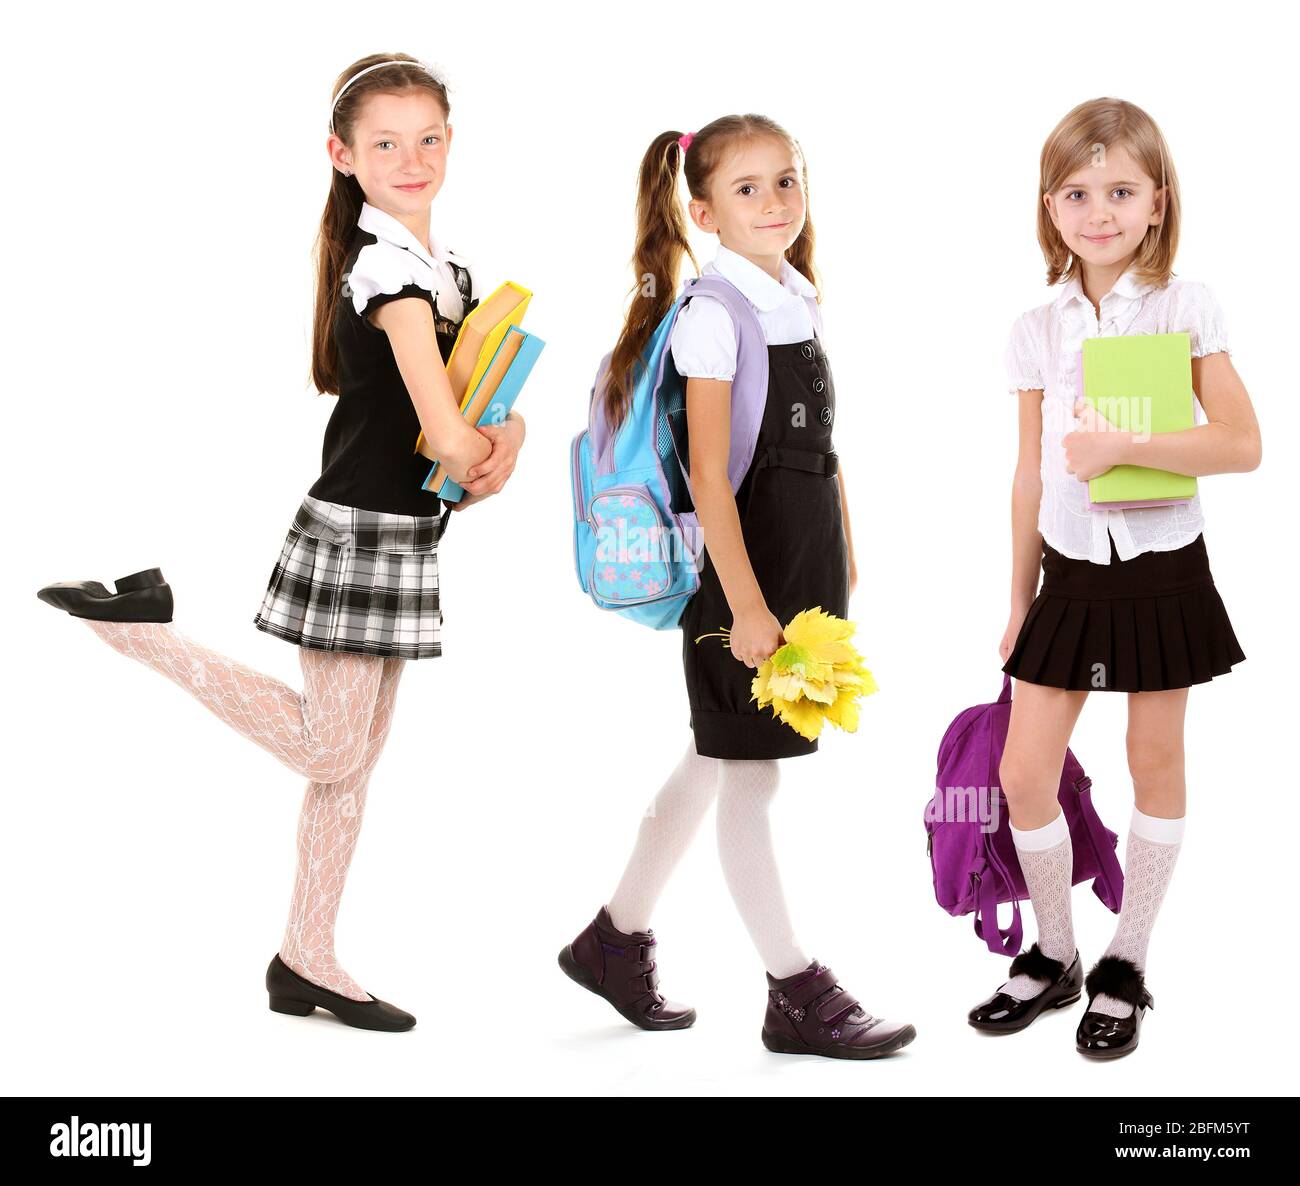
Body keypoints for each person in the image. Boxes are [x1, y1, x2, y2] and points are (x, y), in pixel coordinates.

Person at [36, 53, 526, 1032]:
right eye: (385, 142)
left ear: (451, 142)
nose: (411, 157)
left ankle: (307, 956)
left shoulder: (445, 269)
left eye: (427, 137)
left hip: (404, 534)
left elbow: (479, 421)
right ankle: (138, 629)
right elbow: (448, 429)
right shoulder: (388, 273)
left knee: (349, 766)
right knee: (332, 746)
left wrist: (499, 441)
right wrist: (488, 446)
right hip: (355, 534)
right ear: (343, 156)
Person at [558, 115, 915, 1060]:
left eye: (787, 181)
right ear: (704, 212)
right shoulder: (715, 315)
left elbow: (822, 448)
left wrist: (843, 549)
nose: (776, 203)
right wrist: (748, 606)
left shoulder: (796, 296)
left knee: (716, 758)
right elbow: (712, 475)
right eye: (748, 189)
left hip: (799, 571)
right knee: (748, 777)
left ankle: (612, 939)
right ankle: (795, 988)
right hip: (740, 584)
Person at [967, 97, 1260, 1058]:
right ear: (1051, 207)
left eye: (1122, 190)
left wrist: (1128, 443)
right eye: (1078, 193)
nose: (1101, 212)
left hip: (1162, 566)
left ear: (1158, 201)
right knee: (1022, 771)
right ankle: (1056, 954)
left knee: (1154, 759)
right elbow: (1025, 470)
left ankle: (1127, 961)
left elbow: (1242, 444)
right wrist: (1017, 599)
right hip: (1067, 572)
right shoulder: (1033, 326)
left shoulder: (1187, 305)